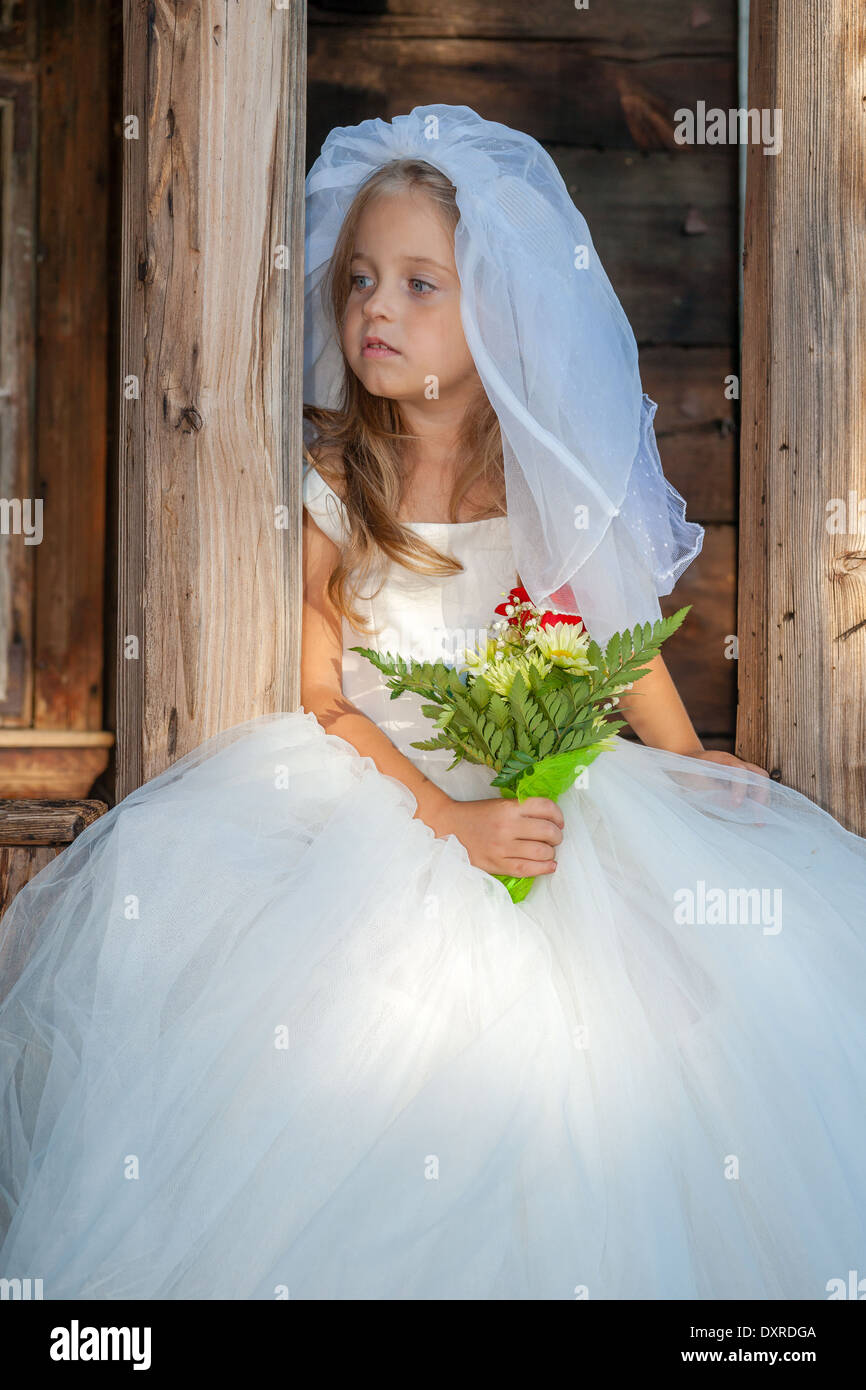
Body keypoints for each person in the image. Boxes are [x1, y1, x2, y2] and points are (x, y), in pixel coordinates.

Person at [0, 105, 864, 1300]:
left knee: (638, 1057)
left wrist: (692, 762)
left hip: (536, 800)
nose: (374, 310)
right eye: (359, 281)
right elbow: (322, 699)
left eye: (419, 285)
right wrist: (445, 824)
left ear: (494, 313)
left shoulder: (535, 481)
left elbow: (605, 643)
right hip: (371, 803)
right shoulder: (330, 487)